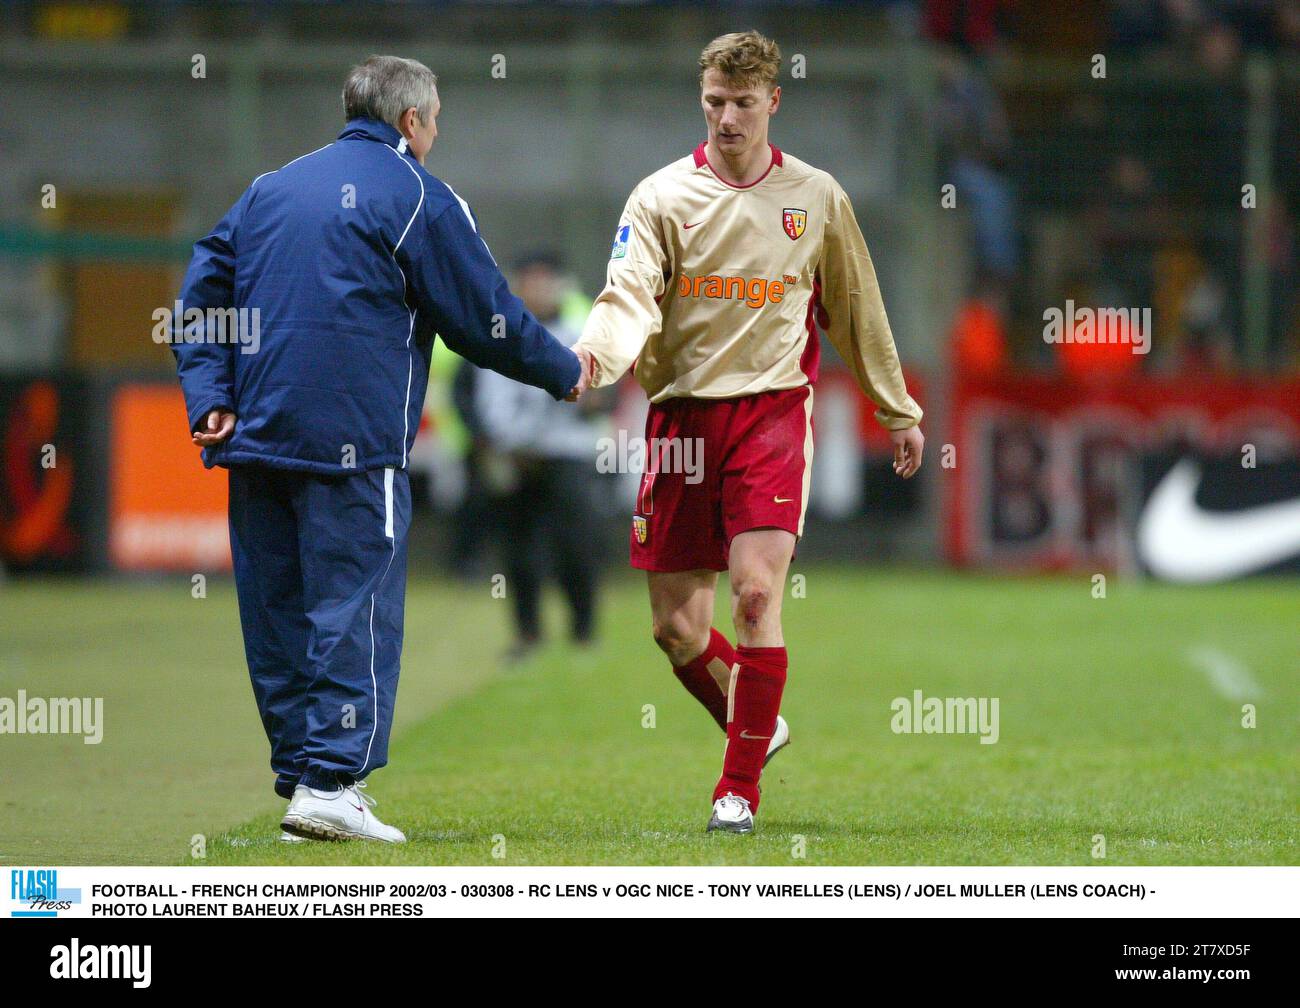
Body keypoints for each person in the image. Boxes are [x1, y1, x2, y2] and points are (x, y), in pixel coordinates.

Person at [170, 55, 585, 843]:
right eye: (435, 122)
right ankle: (331, 781)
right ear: (410, 122)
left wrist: (211, 395)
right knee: (351, 610)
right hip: (354, 447)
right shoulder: (418, 194)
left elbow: (200, 296)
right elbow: (483, 315)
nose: (436, 135)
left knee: (278, 616)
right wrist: (564, 372)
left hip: (256, 442)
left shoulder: (269, 188)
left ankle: (303, 781)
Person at [573, 31, 924, 834]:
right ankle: (754, 717)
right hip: (682, 418)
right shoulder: (660, 197)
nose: (726, 117)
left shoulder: (816, 197)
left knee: (757, 596)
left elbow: (855, 308)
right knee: (675, 629)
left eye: (741, 103)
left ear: (773, 100)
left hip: (770, 411)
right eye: (713, 103)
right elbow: (626, 294)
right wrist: (596, 358)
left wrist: (895, 405)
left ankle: (737, 790)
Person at [472, 252, 607, 661]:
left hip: (568, 453)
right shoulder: (498, 335)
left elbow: (605, 390)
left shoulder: (580, 330)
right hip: (518, 456)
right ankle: (528, 634)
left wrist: (592, 401)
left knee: (576, 545)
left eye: (544, 281)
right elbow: (483, 396)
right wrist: (500, 441)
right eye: (528, 281)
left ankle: (583, 632)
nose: (536, 290)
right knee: (520, 551)